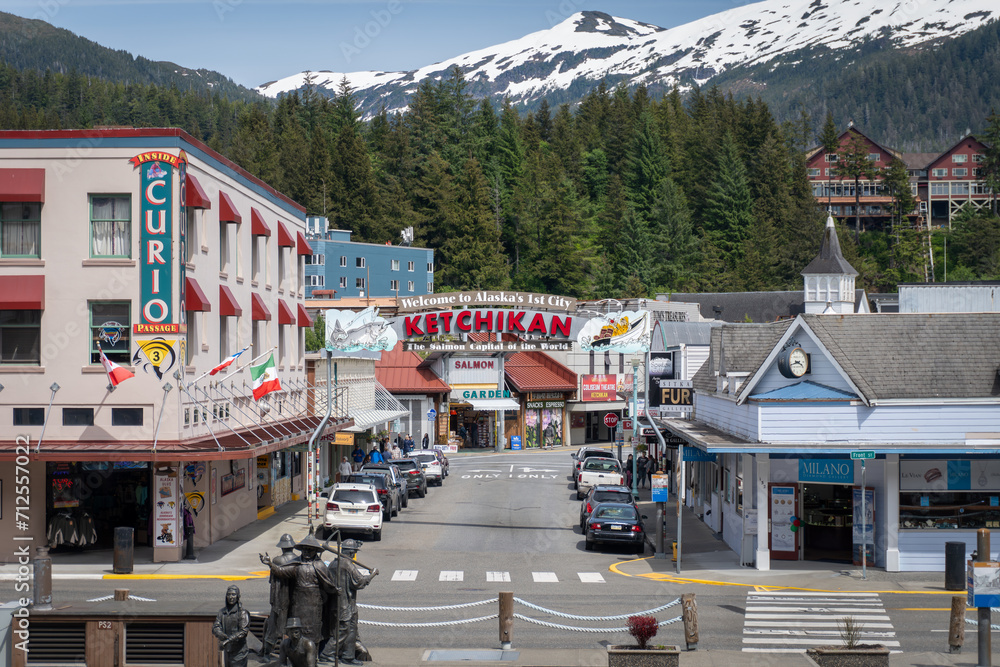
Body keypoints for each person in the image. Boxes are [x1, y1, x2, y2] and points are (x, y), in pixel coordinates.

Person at [260, 534, 339, 647]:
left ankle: (313, 655)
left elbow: (328, 584)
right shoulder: (297, 565)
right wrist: (270, 564)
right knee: (297, 629)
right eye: (304, 549)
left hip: (314, 604)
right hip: (298, 603)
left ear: (315, 551)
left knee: (314, 630)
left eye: (310, 550)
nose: (306, 552)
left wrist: (335, 590)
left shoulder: (319, 565)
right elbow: (282, 571)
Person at [319, 539, 379, 666]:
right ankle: (327, 653)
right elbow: (360, 582)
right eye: (354, 553)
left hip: (344, 605)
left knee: (351, 630)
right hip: (344, 605)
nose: (354, 555)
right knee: (343, 631)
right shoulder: (347, 565)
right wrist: (372, 575)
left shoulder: (333, 564)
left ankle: (348, 656)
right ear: (351, 552)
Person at [261, 534, 299, 656]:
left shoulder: (277, 561)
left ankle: (267, 654)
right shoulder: (299, 560)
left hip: (279, 599)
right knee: (294, 627)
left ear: (282, 548)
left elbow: (272, 583)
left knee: (273, 628)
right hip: (295, 600)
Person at [213, 585, 251, 667]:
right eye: (229, 594)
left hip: (240, 653)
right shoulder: (222, 612)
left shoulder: (242, 613)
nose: (231, 597)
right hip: (228, 651)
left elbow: (243, 631)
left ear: (238, 596)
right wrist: (220, 634)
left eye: (233, 594)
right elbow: (216, 626)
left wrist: (228, 640)